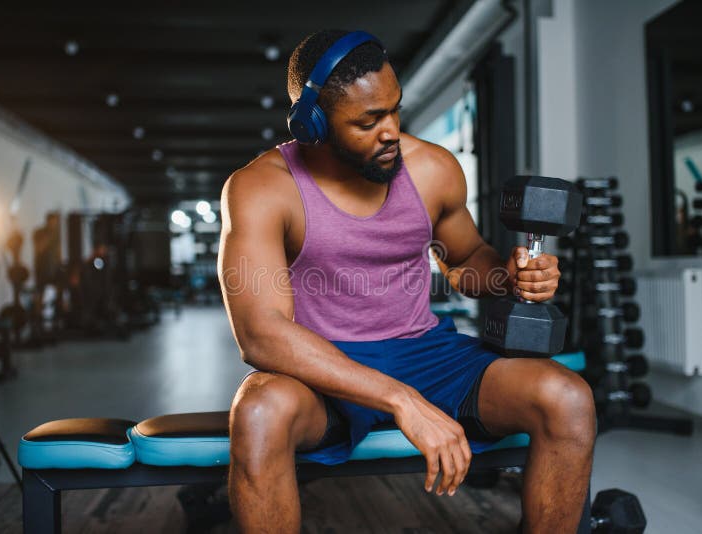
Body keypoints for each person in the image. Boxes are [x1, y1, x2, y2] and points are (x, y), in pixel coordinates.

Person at [218, 30, 595, 533]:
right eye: (368, 121)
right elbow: (261, 334)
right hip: (322, 368)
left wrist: (509, 276)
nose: (391, 130)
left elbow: (464, 261)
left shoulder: (433, 169)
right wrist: (401, 399)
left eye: (394, 109)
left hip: (427, 354)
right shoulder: (262, 188)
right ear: (314, 125)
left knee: (566, 398)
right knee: (258, 412)